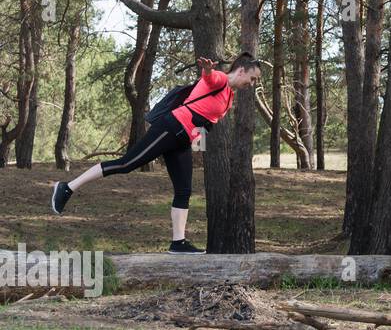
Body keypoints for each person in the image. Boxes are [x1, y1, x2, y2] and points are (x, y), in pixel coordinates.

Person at [50, 54, 262, 253]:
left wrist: (199, 147)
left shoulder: (229, 98)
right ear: (241, 70)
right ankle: (67, 187)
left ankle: (177, 243)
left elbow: (204, 120)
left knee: (184, 190)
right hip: (171, 128)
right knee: (126, 164)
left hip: (183, 139)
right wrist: (206, 70)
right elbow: (209, 77)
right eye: (252, 79)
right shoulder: (220, 80)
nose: (251, 85)